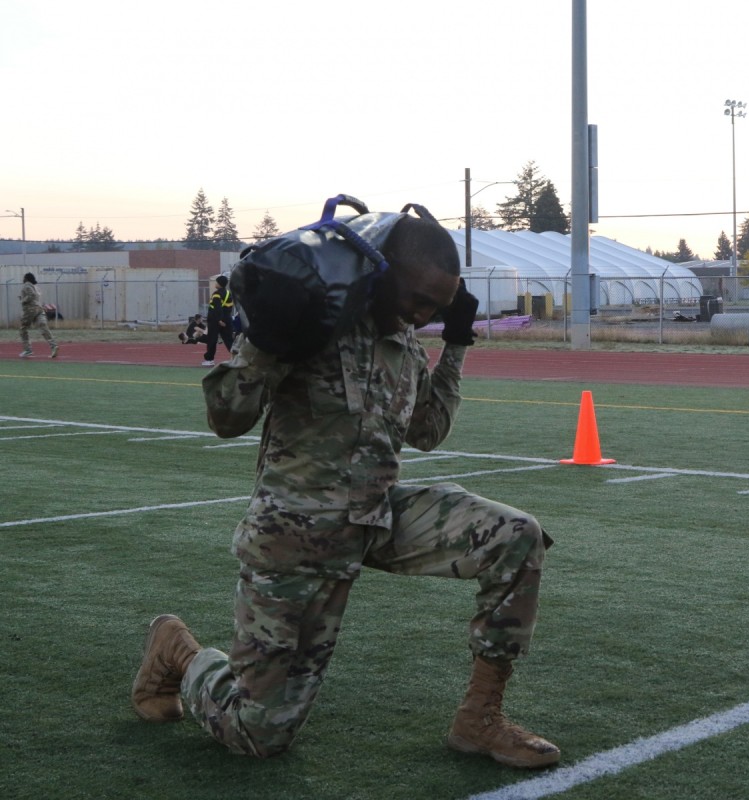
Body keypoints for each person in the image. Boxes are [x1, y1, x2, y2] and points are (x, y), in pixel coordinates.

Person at [131, 210, 560, 768]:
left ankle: (479, 719)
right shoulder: (314, 319)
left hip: (377, 517)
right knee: (258, 735)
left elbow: (427, 431)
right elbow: (227, 417)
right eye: (418, 299)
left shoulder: (403, 340)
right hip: (294, 538)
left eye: (437, 306)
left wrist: (454, 344)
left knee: (516, 535)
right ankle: (179, 652)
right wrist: (266, 337)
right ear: (381, 273)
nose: (423, 314)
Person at [18, 272, 59, 359]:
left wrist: (23, 300)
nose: (23, 279)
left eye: (24, 278)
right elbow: (36, 295)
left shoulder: (27, 285)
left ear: (27, 278)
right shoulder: (36, 287)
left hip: (30, 310)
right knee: (43, 326)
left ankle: (28, 350)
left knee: (23, 329)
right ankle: (53, 345)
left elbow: (31, 295)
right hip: (39, 309)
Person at [201, 274, 235, 366]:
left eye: (216, 281)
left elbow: (217, 307)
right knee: (229, 340)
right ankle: (236, 358)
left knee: (212, 339)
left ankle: (209, 360)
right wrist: (225, 318)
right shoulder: (228, 293)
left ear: (219, 283)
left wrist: (219, 320)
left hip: (215, 321)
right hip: (227, 319)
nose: (215, 283)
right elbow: (229, 307)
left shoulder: (216, 294)